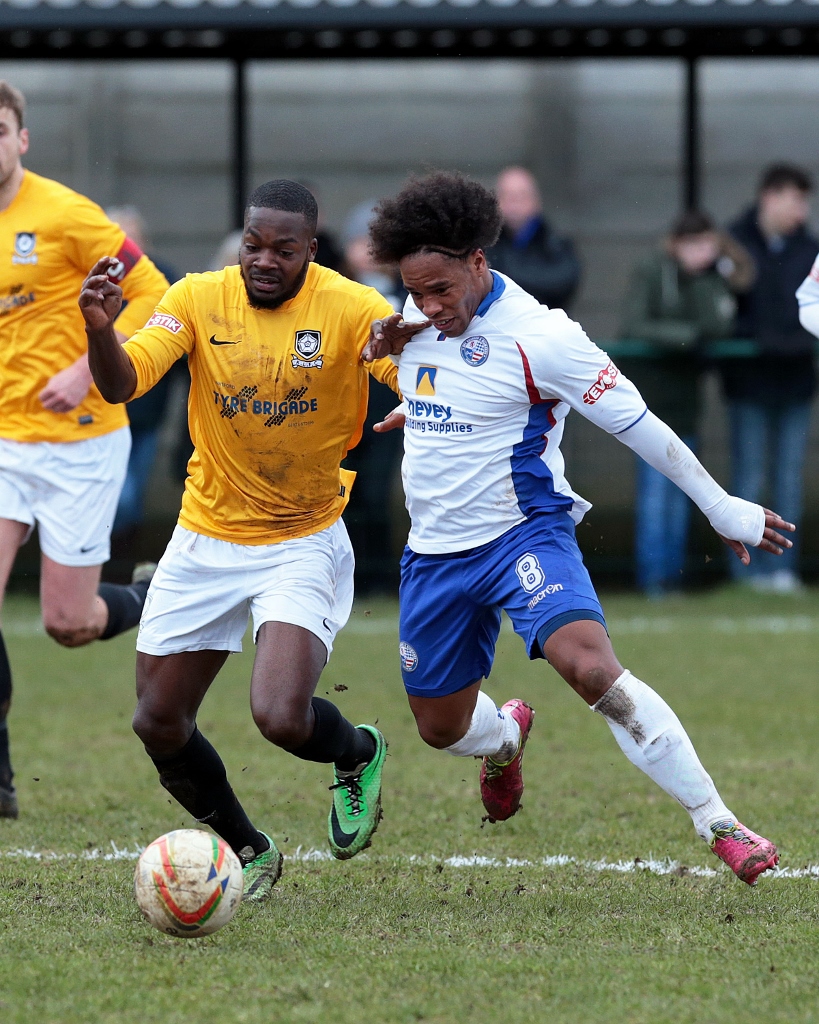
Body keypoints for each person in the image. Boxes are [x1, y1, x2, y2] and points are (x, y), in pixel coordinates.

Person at [365, 172, 793, 885]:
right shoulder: (407, 324)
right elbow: (434, 380)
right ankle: (503, 737)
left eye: (441, 289)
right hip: (434, 553)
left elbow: (640, 425)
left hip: (521, 534)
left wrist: (719, 503)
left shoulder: (545, 338)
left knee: (592, 668)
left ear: (478, 261)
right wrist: (417, 395)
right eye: (417, 292)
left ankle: (717, 820)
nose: (430, 306)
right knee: (439, 728)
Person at [79, 180, 399, 901]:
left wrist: (418, 388)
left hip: (302, 536)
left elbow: (410, 370)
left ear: (310, 252)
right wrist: (101, 330)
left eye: (283, 250)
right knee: (157, 721)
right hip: (203, 538)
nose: (264, 260)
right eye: (254, 244)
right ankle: (249, 849)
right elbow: (123, 382)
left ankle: (357, 753)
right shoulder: (196, 297)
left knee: (280, 717)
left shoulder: (352, 307)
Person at [0, 81, 169, 819]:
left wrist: (82, 368)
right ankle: (1, 775)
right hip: (3, 443)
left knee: (68, 624)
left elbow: (156, 292)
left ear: (22, 139)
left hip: (80, 444)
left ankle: (148, 594)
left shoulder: (66, 215)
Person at [619, 211, 755, 596]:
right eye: (695, 245)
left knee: (683, 493)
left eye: (709, 245)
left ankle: (672, 579)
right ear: (677, 244)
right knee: (655, 495)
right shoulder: (651, 269)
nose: (703, 253)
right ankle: (652, 581)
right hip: (648, 403)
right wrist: (685, 336)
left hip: (686, 402)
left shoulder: (710, 278)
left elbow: (719, 325)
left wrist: (710, 279)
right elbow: (634, 325)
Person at [723, 164, 818, 593]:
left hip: (796, 383)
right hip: (749, 384)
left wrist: (784, 342)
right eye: (796, 199)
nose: (802, 210)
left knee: (787, 479)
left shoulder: (809, 249)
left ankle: (782, 571)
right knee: (747, 479)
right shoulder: (733, 241)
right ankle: (745, 575)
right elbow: (729, 312)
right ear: (770, 196)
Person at [106, 206, 181, 561]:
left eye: (130, 239)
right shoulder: (90, 280)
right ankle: (108, 569)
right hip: (100, 413)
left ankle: (119, 569)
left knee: (130, 497)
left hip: (146, 413)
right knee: (118, 496)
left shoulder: (163, 280)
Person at [340, 201, 405, 592]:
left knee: (378, 490)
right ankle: (350, 572)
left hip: (386, 405)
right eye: (359, 242)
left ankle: (379, 574)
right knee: (345, 491)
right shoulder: (338, 295)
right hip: (346, 406)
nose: (366, 252)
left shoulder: (408, 295)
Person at [485, 166, 580, 311]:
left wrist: (504, 277)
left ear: (536, 201)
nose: (514, 204)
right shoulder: (485, 242)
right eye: (508, 196)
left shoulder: (556, 243)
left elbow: (563, 283)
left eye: (521, 196)